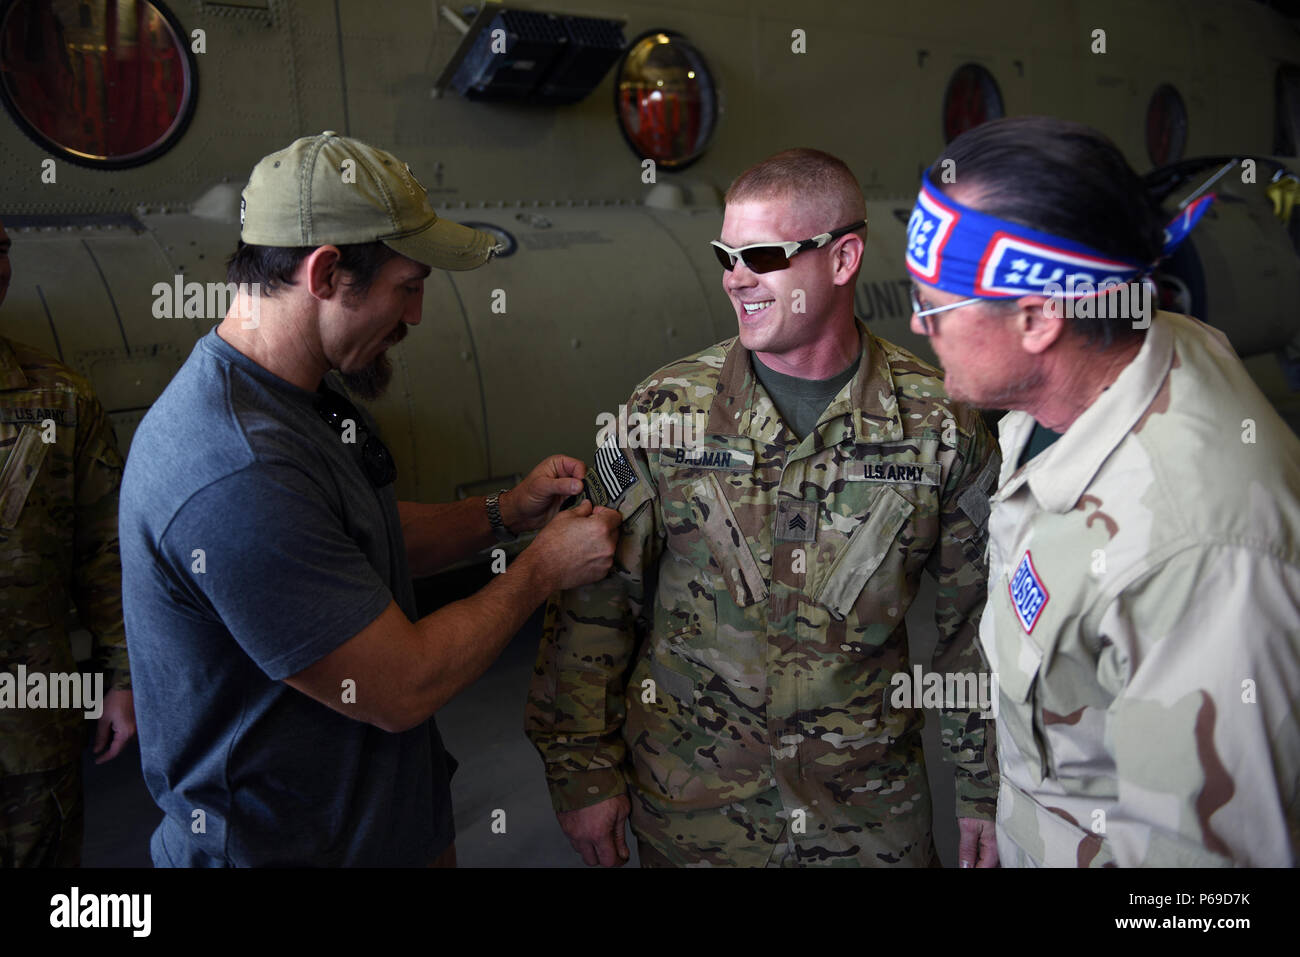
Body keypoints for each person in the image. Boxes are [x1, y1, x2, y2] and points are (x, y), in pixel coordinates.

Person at [118, 132, 621, 867]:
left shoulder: (299, 396)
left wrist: (505, 514)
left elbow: (350, 546)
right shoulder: (232, 466)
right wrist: (542, 569)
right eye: (407, 286)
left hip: (375, 825)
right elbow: (400, 685)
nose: (414, 317)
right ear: (325, 273)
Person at [526, 148, 1000, 867]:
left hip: (868, 816)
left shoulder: (941, 423)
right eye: (727, 254)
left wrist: (981, 786)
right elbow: (594, 607)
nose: (734, 277)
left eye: (763, 256)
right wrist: (580, 769)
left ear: (843, 260)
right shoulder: (664, 411)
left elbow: (976, 627)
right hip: (694, 812)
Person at [906, 115, 1300, 866]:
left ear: (1038, 318)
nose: (920, 326)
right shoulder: (1090, 375)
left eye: (936, 308)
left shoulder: (1200, 555)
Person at [0, 218, 137, 867]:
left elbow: (104, 549)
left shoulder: (59, 399)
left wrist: (123, 677)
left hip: (32, 736)